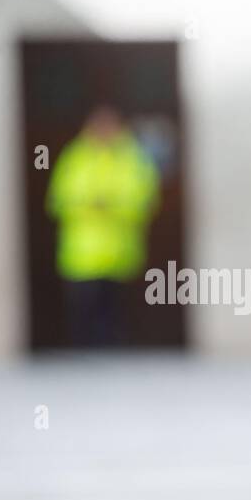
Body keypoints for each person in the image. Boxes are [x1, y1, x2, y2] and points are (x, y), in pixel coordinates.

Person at [45, 104, 161, 348]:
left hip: (119, 250)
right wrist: (89, 205)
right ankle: (83, 349)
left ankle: (114, 348)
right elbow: (58, 198)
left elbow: (144, 196)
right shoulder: (76, 157)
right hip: (82, 252)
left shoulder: (132, 157)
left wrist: (113, 206)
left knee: (116, 308)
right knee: (84, 307)